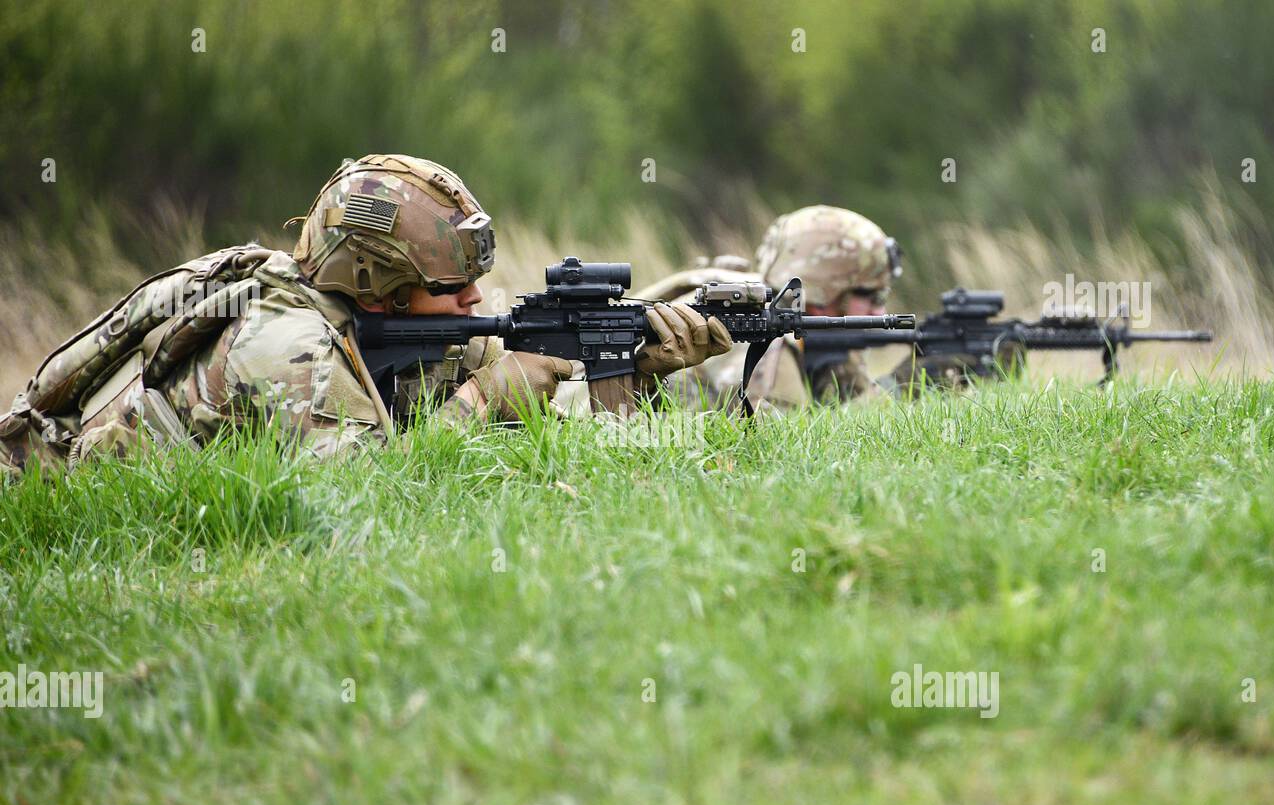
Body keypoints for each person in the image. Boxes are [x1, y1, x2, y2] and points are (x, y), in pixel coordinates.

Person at [0, 154, 728, 475]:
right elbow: (368, 494)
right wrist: (480, 403)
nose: (476, 301)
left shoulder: (412, 329)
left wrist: (631, 370)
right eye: (452, 287)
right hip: (55, 497)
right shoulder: (285, 345)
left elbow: (555, 428)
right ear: (377, 287)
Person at [636, 205, 903, 413]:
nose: (879, 312)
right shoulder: (760, 334)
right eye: (872, 295)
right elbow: (781, 447)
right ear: (824, 289)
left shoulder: (797, 333)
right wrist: (899, 386)